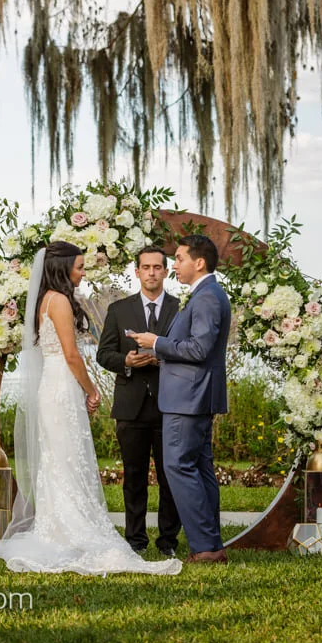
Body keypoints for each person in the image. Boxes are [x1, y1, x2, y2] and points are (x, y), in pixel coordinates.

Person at [0, 241, 181, 575]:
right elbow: (71, 354)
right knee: (66, 457)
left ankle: (57, 527)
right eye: (79, 267)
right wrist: (92, 388)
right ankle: (69, 529)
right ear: (63, 268)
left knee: (60, 459)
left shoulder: (43, 300)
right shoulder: (61, 301)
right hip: (62, 384)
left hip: (53, 385)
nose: (82, 272)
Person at [129, 235, 231, 564]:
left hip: (187, 399)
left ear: (198, 262)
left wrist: (157, 343)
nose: (175, 265)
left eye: (180, 258)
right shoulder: (206, 294)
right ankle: (211, 543)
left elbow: (200, 349)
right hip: (194, 395)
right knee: (199, 469)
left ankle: (204, 548)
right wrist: (164, 350)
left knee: (179, 468)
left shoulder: (206, 298)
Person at [96, 246, 182, 557]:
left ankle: (168, 542)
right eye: (145, 267)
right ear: (137, 272)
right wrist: (128, 361)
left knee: (170, 476)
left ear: (166, 271)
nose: (151, 272)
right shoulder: (119, 310)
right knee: (133, 477)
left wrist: (166, 358)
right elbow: (103, 354)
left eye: (157, 267)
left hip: (170, 405)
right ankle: (135, 541)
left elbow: (188, 348)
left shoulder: (180, 308)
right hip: (130, 406)